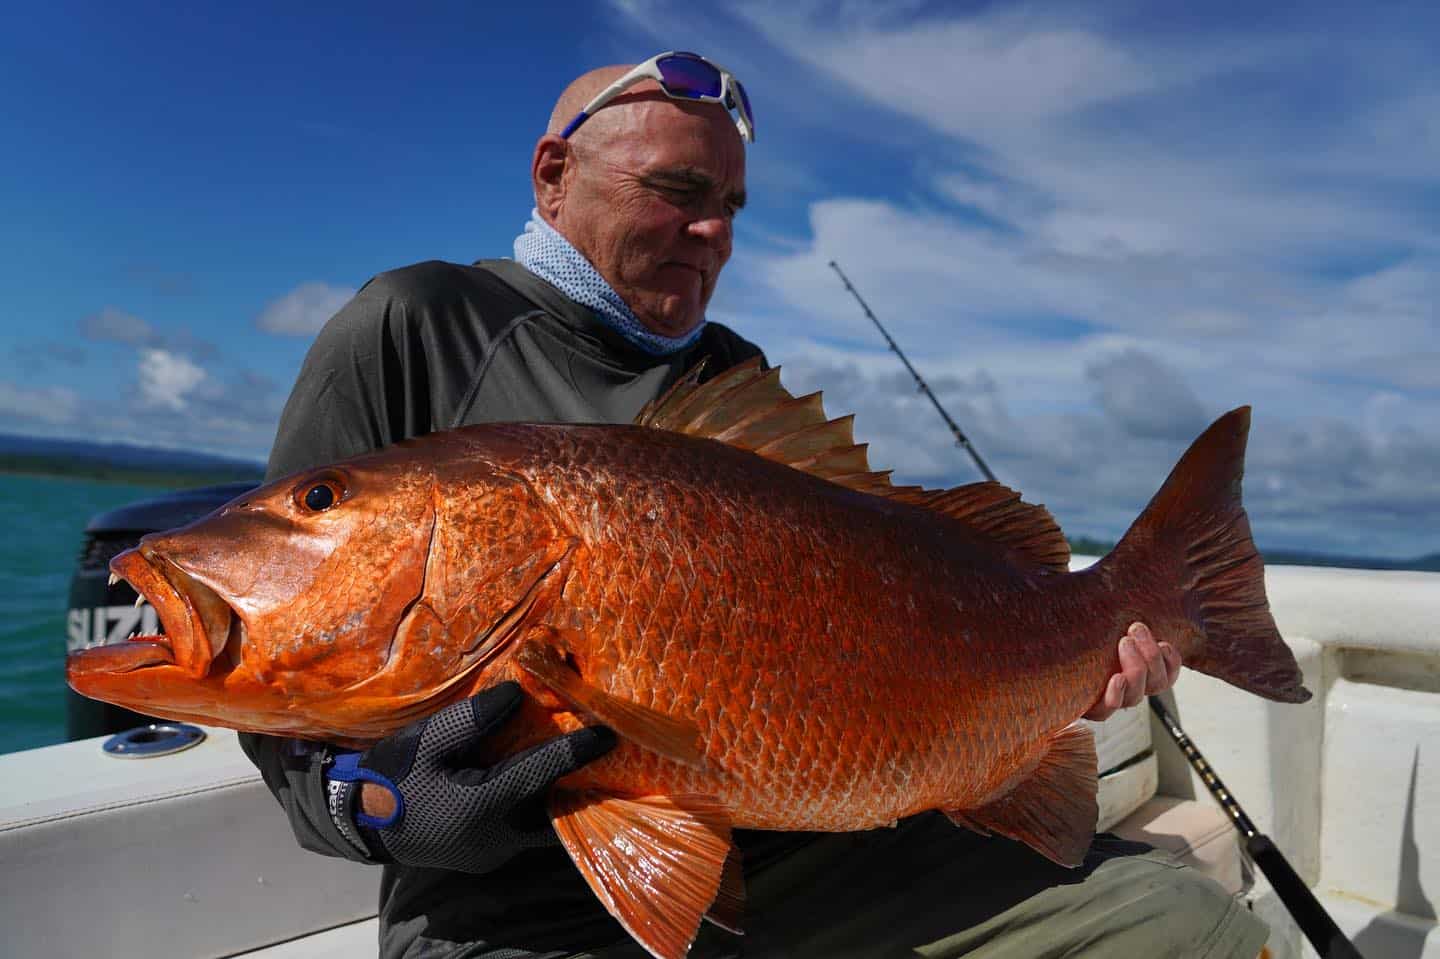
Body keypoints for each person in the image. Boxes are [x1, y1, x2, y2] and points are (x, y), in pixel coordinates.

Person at [242, 52, 1268, 959]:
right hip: (517, 907)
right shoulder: (416, 323)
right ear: (554, 175)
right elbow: (275, 640)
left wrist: (1060, 671)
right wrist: (371, 805)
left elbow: (870, 631)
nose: (714, 232)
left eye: (731, 205)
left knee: (1181, 924)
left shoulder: (730, 373)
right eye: (678, 189)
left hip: (811, 851)